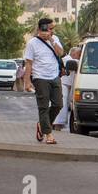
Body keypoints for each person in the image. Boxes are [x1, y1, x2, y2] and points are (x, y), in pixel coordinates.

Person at [24, 17, 65, 145]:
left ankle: (42, 125)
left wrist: (51, 39)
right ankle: (48, 134)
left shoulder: (55, 39)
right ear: (41, 28)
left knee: (58, 105)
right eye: (49, 28)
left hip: (54, 76)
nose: (51, 30)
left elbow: (61, 53)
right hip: (40, 78)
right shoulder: (32, 43)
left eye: (52, 29)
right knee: (43, 107)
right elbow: (29, 63)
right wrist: (27, 82)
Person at [53, 45, 81, 130]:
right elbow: (77, 63)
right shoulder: (68, 59)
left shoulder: (72, 60)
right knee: (62, 105)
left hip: (69, 87)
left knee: (65, 105)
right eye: (79, 54)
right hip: (63, 85)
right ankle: (57, 124)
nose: (80, 56)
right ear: (74, 53)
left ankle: (57, 124)